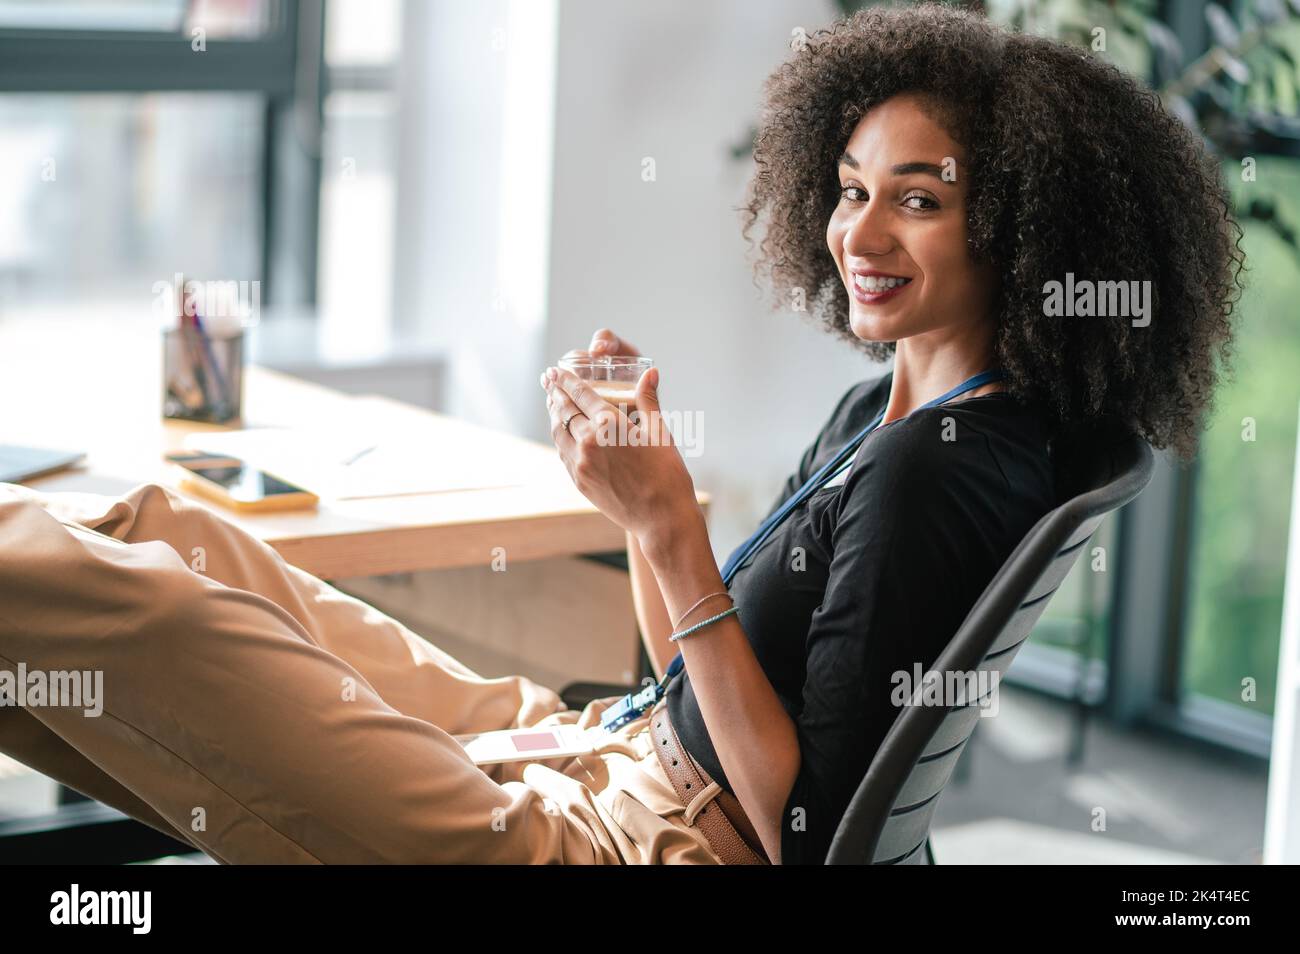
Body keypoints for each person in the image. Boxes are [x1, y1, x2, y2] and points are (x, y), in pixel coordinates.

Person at [0, 3, 1240, 865]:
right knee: (172, 535)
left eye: (917, 200)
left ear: (1023, 231)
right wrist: (644, 515)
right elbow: (689, 680)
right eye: (852, 188)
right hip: (610, 747)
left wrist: (672, 527)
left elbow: (798, 831)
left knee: (89, 604)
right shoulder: (892, 409)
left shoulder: (941, 467)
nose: (860, 234)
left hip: (620, 844)